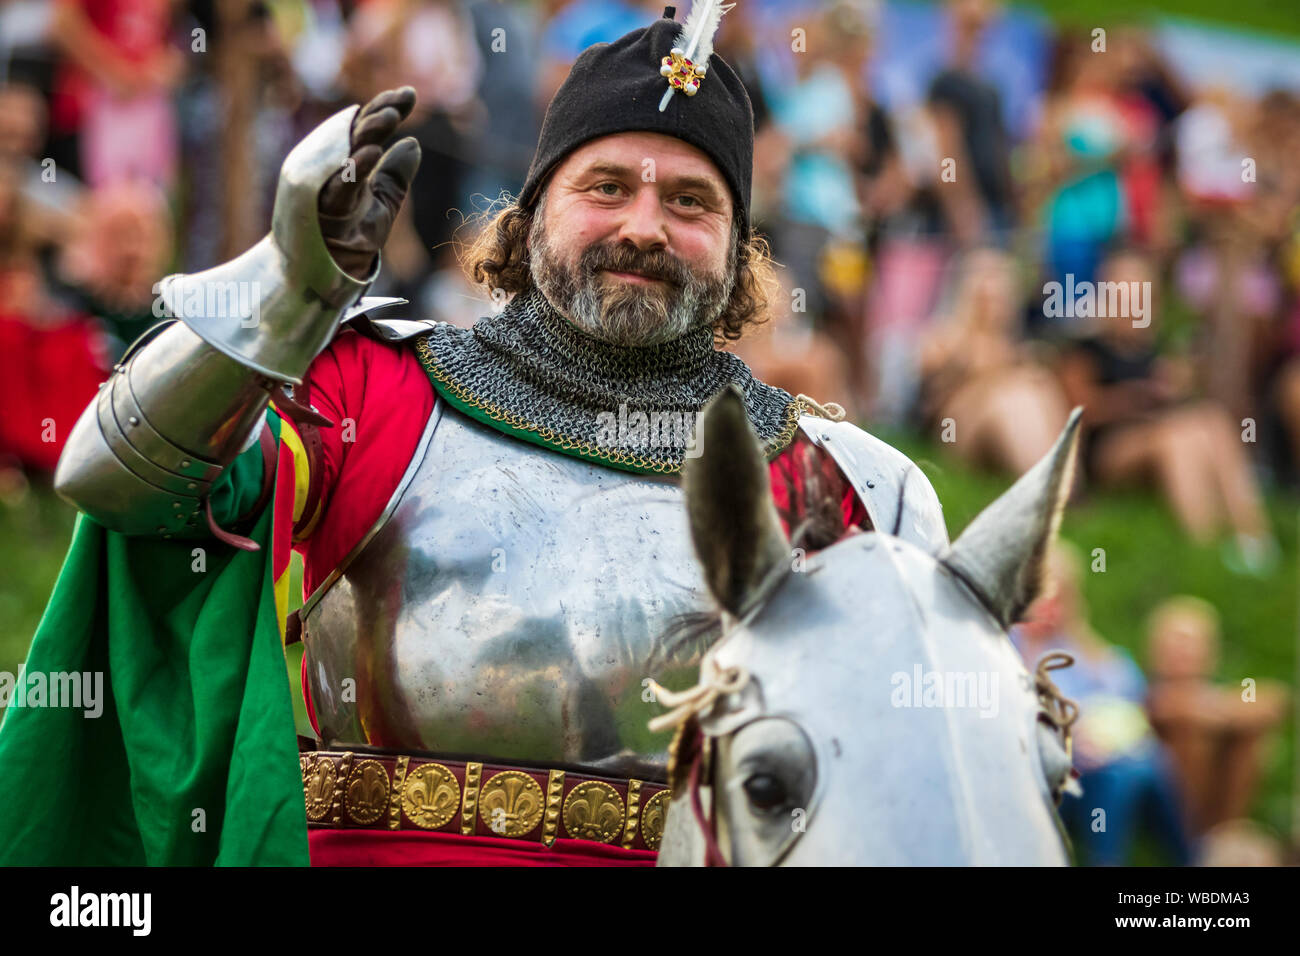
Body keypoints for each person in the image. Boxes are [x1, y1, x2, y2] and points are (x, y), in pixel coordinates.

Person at [0, 12, 949, 866]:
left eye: (693, 202)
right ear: (529, 214)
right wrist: (288, 291)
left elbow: (921, 801)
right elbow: (117, 481)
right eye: (606, 186)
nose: (645, 228)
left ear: (741, 246)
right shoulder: (371, 390)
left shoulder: (854, 490)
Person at [1012, 542, 1192, 866]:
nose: (1048, 607)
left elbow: (1130, 695)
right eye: (1040, 593)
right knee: (1123, 774)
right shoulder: (1006, 648)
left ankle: (1186, 856)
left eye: (1058, 596)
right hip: (1056, 766)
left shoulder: (1086, 649)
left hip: (1105, 758)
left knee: (1141, 763)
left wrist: (1106, 734)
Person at [1144, 596, 1288, 836]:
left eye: (1192, 642)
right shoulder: (1150, 694)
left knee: (1251, 738)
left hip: (1219, 794)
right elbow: (1179, 711)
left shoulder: (1220, 694)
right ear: (1155, 649)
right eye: (1177, 641)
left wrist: (1218, 712)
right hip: (1161, 805)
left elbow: (1276, 700)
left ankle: (1226, 834)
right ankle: (1197, 842)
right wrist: (1214, 713)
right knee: (1192, 731)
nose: (1184, 651)